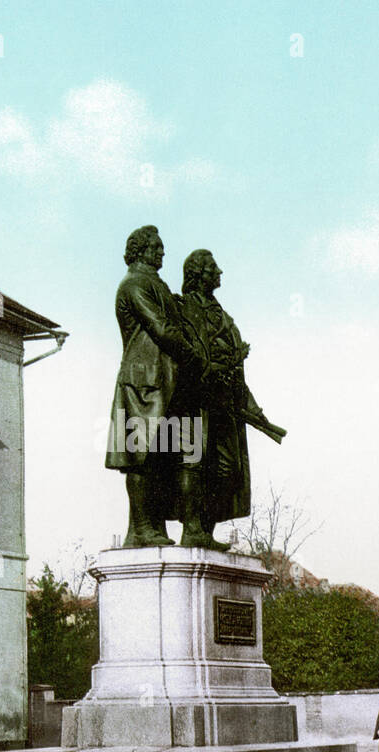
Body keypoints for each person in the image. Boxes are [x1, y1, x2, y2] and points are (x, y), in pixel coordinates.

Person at [168, 249, 284, 549]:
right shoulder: (181, 309)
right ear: (197, 273)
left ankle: (205, 528)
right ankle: (192, 528)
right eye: (212, 267)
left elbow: (237, 371)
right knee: (193, 461)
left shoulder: (225, 318)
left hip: (225, 403)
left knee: (227, 468)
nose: (219, 271)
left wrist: (255, 411)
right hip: (194, 399)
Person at [104, 226, 203, 546]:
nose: (162, 252)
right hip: (143, 382)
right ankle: (143, 528)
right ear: (139, 250)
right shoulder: (134, 285)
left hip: (164, 382)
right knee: (140, 456)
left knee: (161, 456)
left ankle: (150, 528)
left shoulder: (155, 284)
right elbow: (162, 329)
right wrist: (193, 354)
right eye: (155, 248)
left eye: (162, 247)